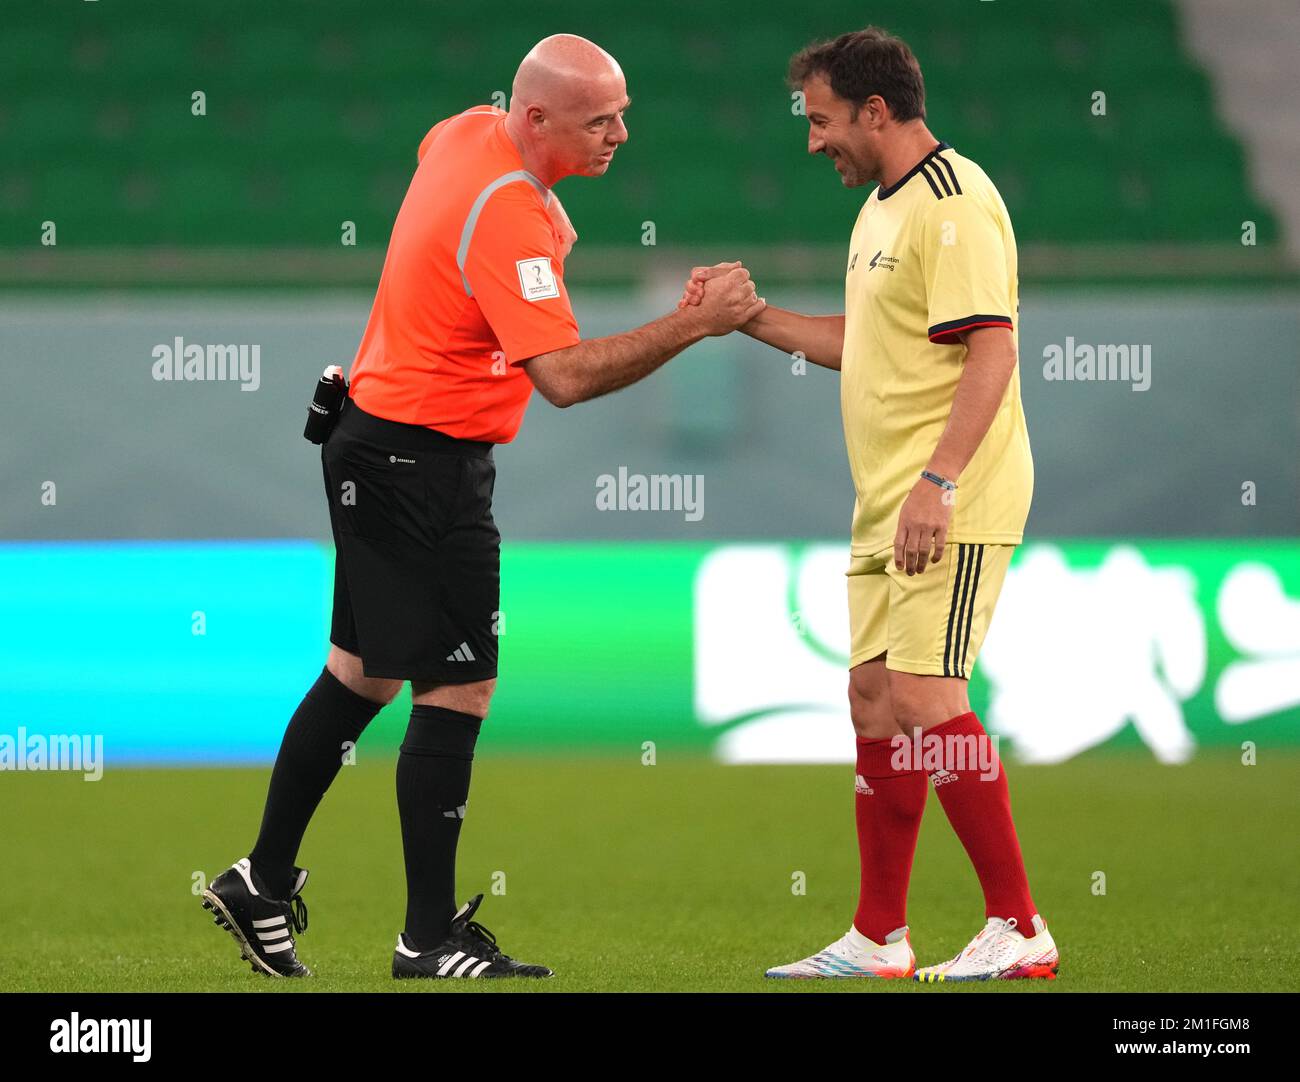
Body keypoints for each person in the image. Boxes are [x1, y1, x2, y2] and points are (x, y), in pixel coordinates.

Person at [200, 32, 763, 980]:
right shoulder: (509, 214)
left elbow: (453, 205)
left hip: (371, 437)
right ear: (535, 118)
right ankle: (425, 937)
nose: (621, 133)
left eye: (622, 114)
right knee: (457, 687)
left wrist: (537, 223)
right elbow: (565, 378)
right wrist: (693, 324)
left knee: (361, 676)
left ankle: (260, 879)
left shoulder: (465, 131)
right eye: (601, 119)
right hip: (420, 462)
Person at [682, 27, 1058, 982]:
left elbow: (993, 349)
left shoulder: (955, 203)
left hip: (952, 493)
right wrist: (748, 317)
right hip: (889, 497)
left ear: (876, 111)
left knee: (929, 697)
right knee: (876, 701)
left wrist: (940, 481)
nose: (814, 141)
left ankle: (1019, 925)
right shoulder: (880, 210)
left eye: (822, 121)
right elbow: (868, 344)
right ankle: (878, 936)